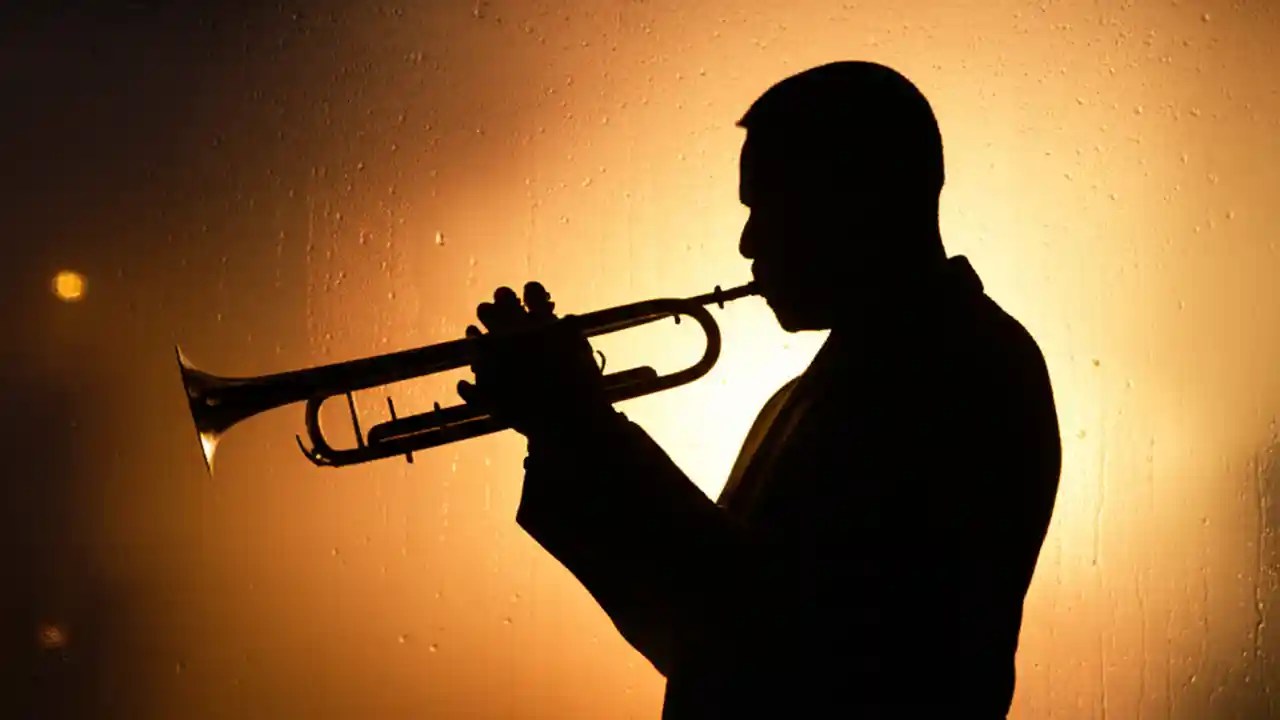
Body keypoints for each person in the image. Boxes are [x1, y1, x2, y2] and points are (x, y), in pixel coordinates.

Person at [456, 61, 1062, 719]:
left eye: (768, 206)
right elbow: (691, 639)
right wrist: (568, 431)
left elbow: (783, 632)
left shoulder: (962, 365)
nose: (747, 241)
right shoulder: (806, 396)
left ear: (858, 196)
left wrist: (577, 428)